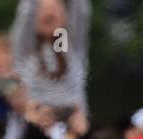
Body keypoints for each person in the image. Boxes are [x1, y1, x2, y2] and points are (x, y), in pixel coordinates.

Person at [12, 0, 91, 129]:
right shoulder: (26, 51)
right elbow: (26, 11)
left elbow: (81, 11)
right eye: (42, 9)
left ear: (66, 16)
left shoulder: (70, 47)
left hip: (72, 130)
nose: (49, 13)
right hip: (35, 130)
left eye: (55, 9)